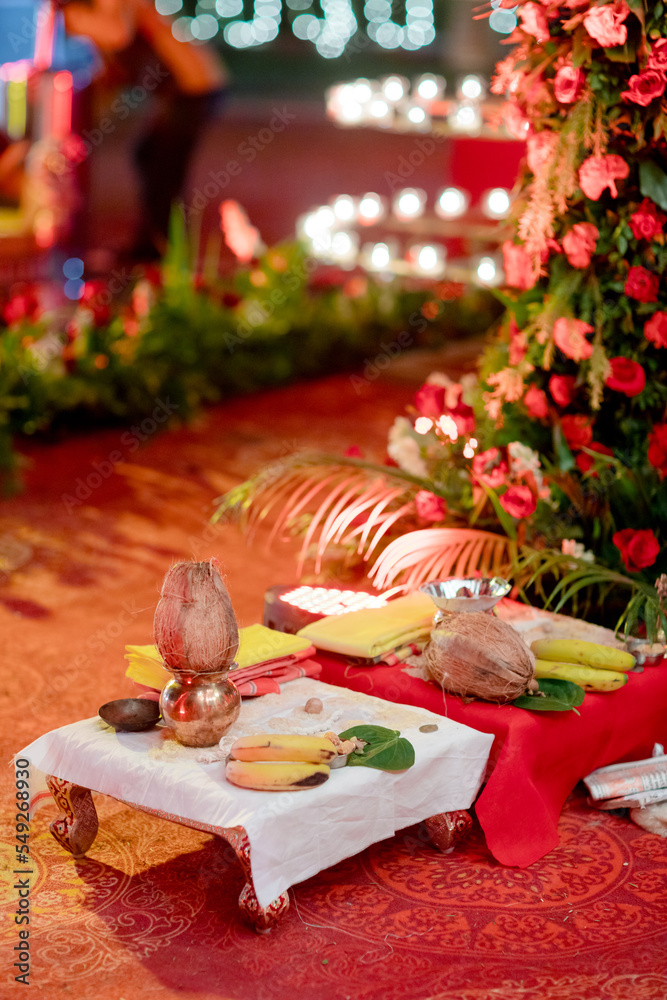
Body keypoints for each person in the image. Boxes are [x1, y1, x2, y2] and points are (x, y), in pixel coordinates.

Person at [60, 0, 228, 259]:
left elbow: (118, 33)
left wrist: (69, 18)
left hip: (195, 88)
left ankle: (161, 249)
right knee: (149, 156)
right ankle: (157, 243)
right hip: (185, 89)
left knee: (162, 167)